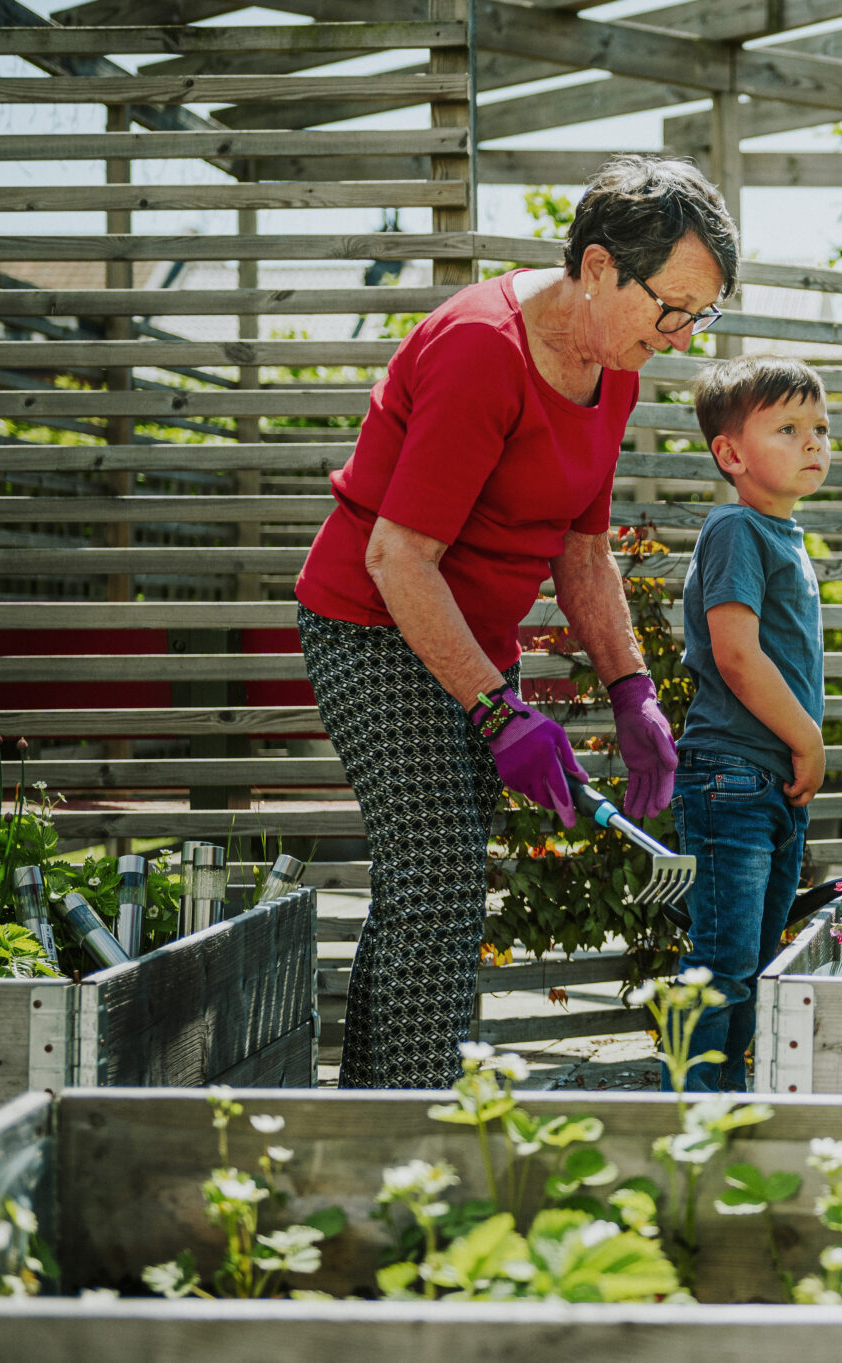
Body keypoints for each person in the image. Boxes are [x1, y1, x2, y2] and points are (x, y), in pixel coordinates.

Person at [293, 155, 739, 1089]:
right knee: (441, 879)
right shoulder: (479, 352)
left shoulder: (614, 365)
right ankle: (418, 1133)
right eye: (676, 308)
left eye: (703, 315)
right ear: (601, 266)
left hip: (461, 638)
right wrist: (498, 714)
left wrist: (631, 688)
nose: (685, 335)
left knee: (428, 885)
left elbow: (582, 550)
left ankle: (373, 1116)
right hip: (372, 624)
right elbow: (396, 558)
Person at [672, 355, 831, 1090]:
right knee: (723, 962)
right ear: (730, 454)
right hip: (731, 778)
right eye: (790, 428)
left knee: (755, 963)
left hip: (765, 783)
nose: (814, 443)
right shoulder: (736, 528)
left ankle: (728, 1100)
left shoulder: (783, 535)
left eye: (821, 428)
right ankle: (691, 1112)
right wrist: (805, 736)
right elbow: (736, 657)